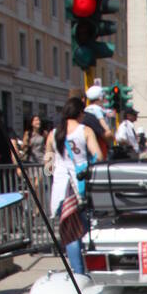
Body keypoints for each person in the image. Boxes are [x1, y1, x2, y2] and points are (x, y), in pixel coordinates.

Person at [49, 96, 102, 274]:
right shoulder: (85, 131)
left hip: (60, 189)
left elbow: (47, 164)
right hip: (80, 187)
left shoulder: (53, 133)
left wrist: (52, 173)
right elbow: (99, 156)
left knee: (70, 232)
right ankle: (84, 270)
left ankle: (77, 272)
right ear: (80, 113)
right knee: (82, 230)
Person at [82, 85, 113, 159]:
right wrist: (109, 133)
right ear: (100, 97)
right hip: (100, 141)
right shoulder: (97, 109)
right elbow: (102, 123)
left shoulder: (86, 109)